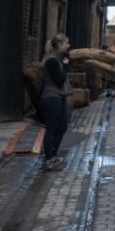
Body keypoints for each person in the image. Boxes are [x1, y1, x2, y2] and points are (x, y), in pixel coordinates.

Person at [40, 33, 73, 170]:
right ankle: (49, 160)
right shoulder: (52, 60)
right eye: (66, 43)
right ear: (60, 45)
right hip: (52, 97)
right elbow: (59, 81)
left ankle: (53, 157)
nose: (68, 46)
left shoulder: (57, 59)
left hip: (59, 96)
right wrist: (65, 66)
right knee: (51, 128)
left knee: (62, 127)